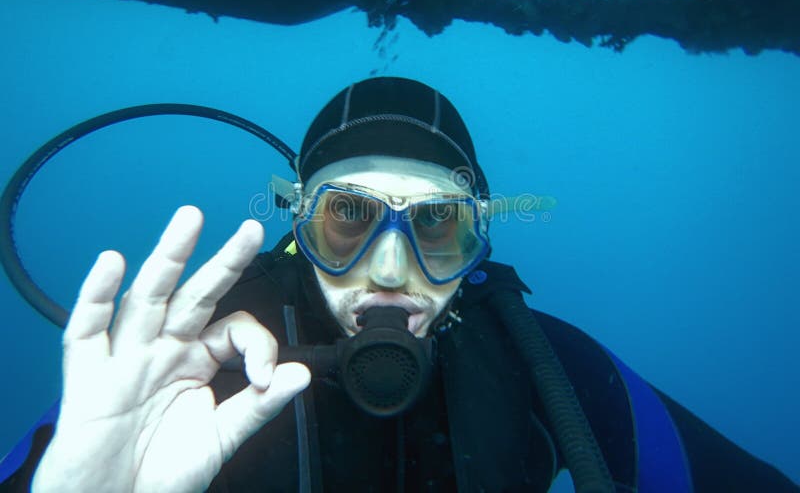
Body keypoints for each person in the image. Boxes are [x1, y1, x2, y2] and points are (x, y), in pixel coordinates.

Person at [1, 77, 797, 492]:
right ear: (297, 231)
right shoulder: (182, 372)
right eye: (347, 220)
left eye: (436, 227)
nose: (389, 271)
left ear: (477, 238)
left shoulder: (545, 371)